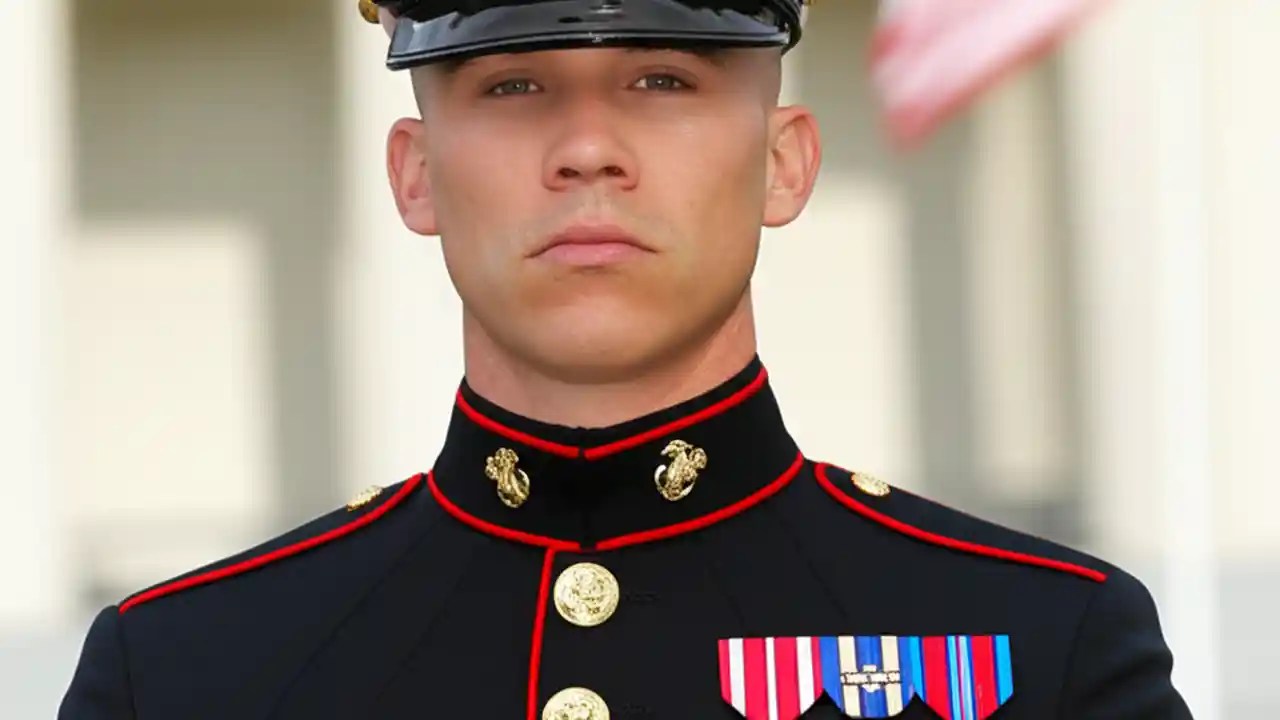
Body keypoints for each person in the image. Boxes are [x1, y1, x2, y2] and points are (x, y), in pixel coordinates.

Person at [60, 1, 1192, 718]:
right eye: (511, 86)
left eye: (662, 81)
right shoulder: (185, 675)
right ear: (412, 174)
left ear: (784, 164)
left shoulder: (1039, 652)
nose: (588, 148)